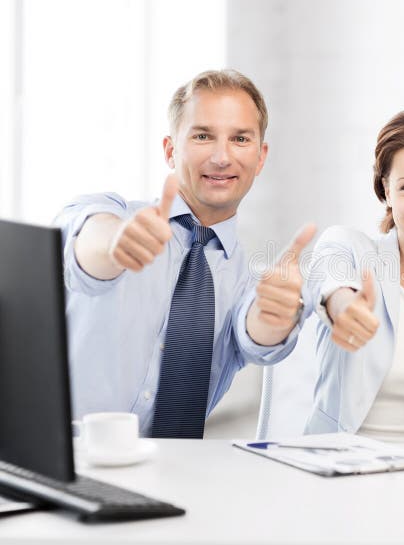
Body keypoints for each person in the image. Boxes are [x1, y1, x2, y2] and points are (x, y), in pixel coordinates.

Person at [58, 69, 313, 439]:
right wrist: (115, 246)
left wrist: (276, 318)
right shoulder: (111, 215)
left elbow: (256, 335)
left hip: (169, 481)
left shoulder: (247, 283)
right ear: (169, 150)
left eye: (240, 139)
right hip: (64, 466)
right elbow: (88, 247)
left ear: (260, 157)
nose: (222, 157)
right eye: (202, 136)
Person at [247, 104, 404, 443]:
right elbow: (331, 279)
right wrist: (344, 307)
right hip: (341, 471)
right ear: (386, 190)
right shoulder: (348, 246)